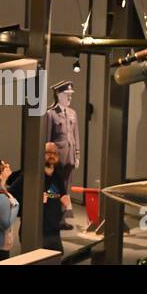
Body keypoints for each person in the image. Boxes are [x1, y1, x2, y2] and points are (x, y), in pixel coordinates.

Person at [44, 80, 80, 229]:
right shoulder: (51, 114)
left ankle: (62, 218)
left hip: (70, 156)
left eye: (71, 95)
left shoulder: (72, 113)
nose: (69, 98)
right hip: (56, 157)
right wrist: (46, 158)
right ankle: (53, 217)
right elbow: (47, 137)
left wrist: (77, 154)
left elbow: (75, 135)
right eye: (66, 95)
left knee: (66, 188)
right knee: (54, 189)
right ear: (58, 95)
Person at [41, 142, 72, 253]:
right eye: (48, 152)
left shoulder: (58, 172)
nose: (52, 155)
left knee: (57, 256)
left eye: (55, 153)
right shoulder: (34, 173)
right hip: (38, 226)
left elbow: (61, 191)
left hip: (54, 226)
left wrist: (63, 197)